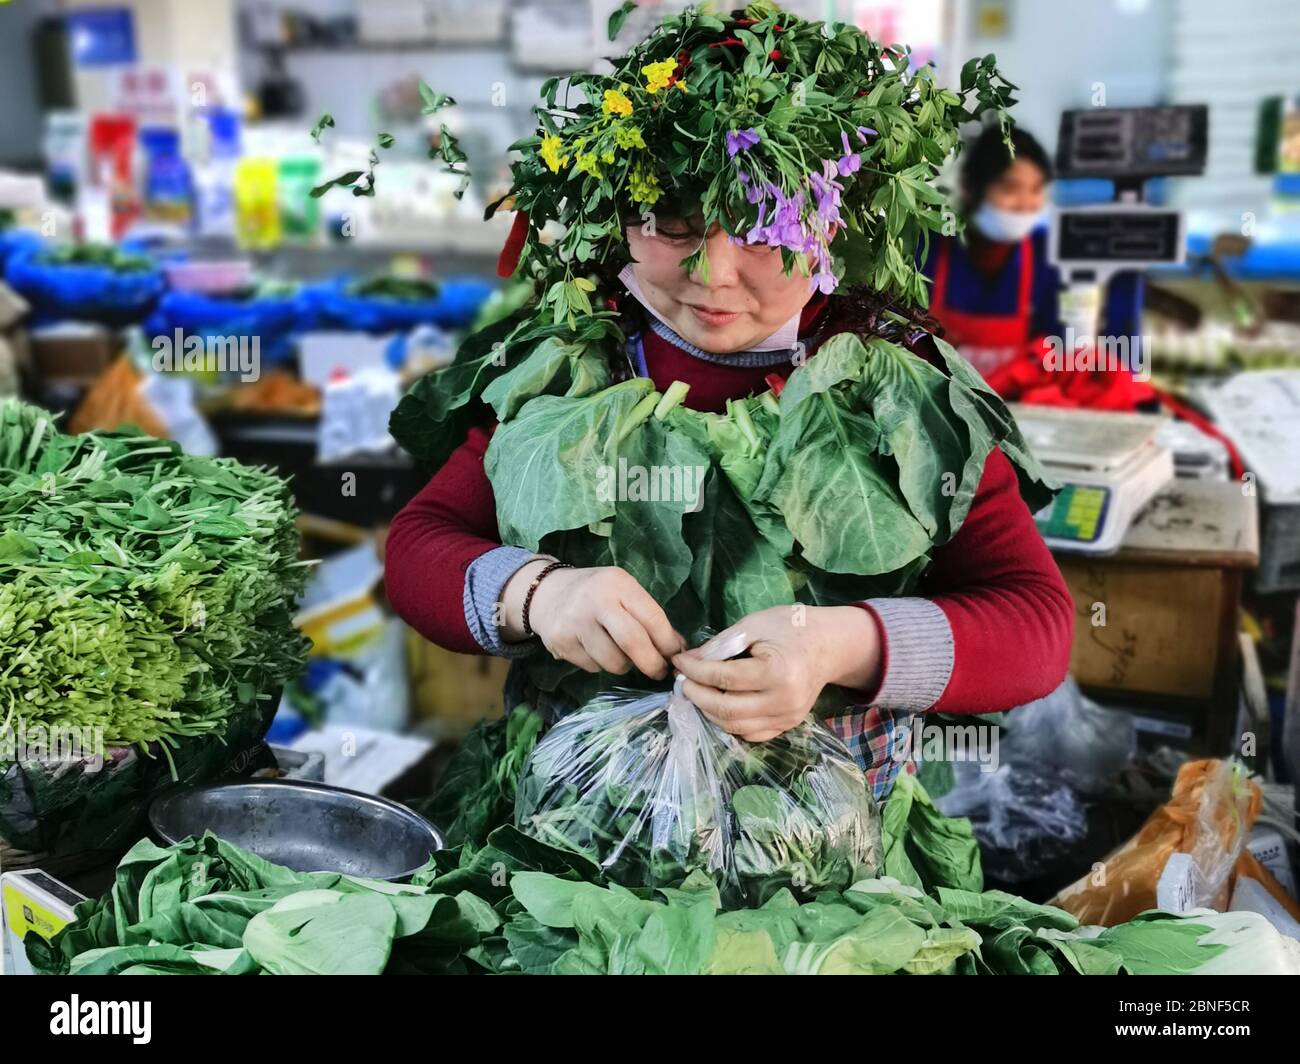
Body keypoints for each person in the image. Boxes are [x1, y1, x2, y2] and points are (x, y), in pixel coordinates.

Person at [385, 6, 1074, 799]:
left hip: (832, 858)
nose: (712, 275)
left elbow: (1038, 624)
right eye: (673, 223)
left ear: (832, 219)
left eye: (757, 226)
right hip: (573, 833)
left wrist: (839, 644)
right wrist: (538, 593)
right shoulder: (572, 359)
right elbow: (417, 548)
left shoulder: (902, 380)